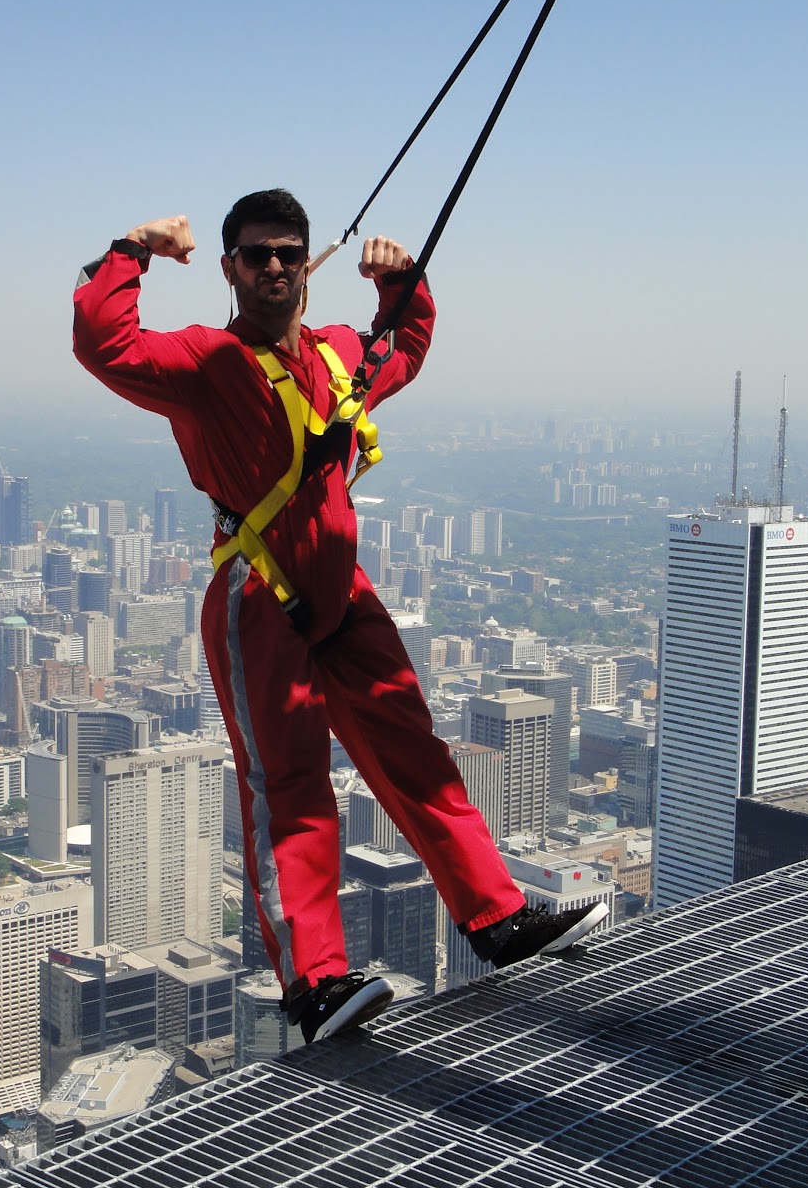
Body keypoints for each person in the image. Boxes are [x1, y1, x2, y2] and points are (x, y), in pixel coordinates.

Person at [72, 188, 607, 1044]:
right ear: (230, 270)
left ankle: (496, 917)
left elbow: (404, 347)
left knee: (416, 754)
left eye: (288, 251)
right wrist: (135, 246)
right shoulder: (207, 364)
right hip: (258, 596)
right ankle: (314, 982)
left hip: (340, 590)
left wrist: (401, 283)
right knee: (290, 790)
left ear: (307, 263)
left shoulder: (339, 355)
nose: (275, 266)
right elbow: (105, 342)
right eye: (257, 255)